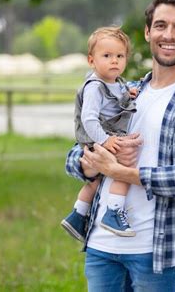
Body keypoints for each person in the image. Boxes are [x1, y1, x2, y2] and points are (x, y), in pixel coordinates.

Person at [65, 0, 175, 292]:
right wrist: (88, 165)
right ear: (148, 32)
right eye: (161, 25)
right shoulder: (126, 92)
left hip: (156, 250)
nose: (170, 34)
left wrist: (117, 171)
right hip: (101, 245)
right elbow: (77, 152)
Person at [61, 26, 138, 242]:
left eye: (120, 56)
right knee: (124, 168)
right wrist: (105, 140)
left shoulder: (116, 83)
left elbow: (117, 100)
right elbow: (89, 119)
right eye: (107, 56)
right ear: (91, 60)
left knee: (95, 181)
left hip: (104, 136)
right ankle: (113, 211)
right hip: (100, 136)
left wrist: (128, 94)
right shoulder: (94, 87)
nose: (114, 61)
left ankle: (78, 214)